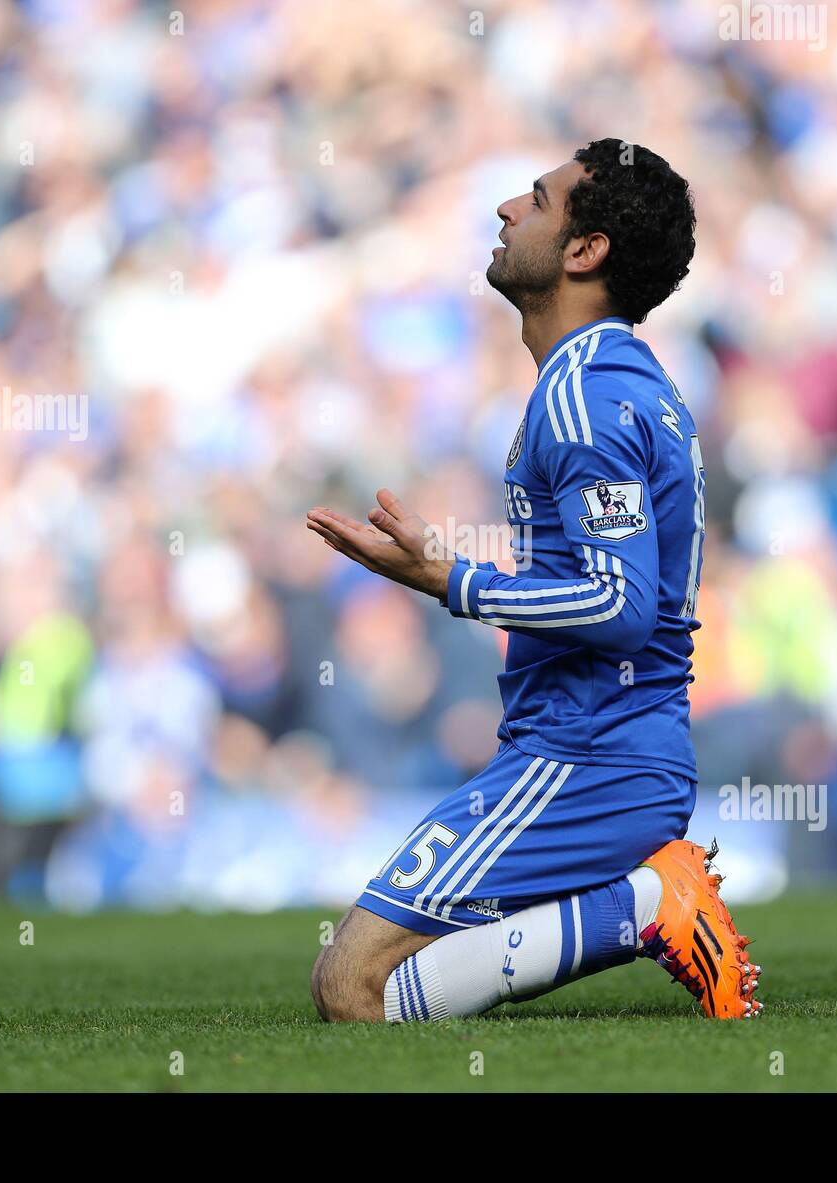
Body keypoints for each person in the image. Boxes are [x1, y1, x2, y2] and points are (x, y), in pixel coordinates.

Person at [306, 139, 761, 1022]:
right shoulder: (620, 381)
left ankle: (643, 908)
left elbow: (620, 604)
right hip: (603, 747)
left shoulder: (584, 393)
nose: (509, 207)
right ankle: (639, 903)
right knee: (380, 982)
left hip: (589, 754)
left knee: (350, 988)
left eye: (540, 201)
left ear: (586, 251)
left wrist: (449, 576)